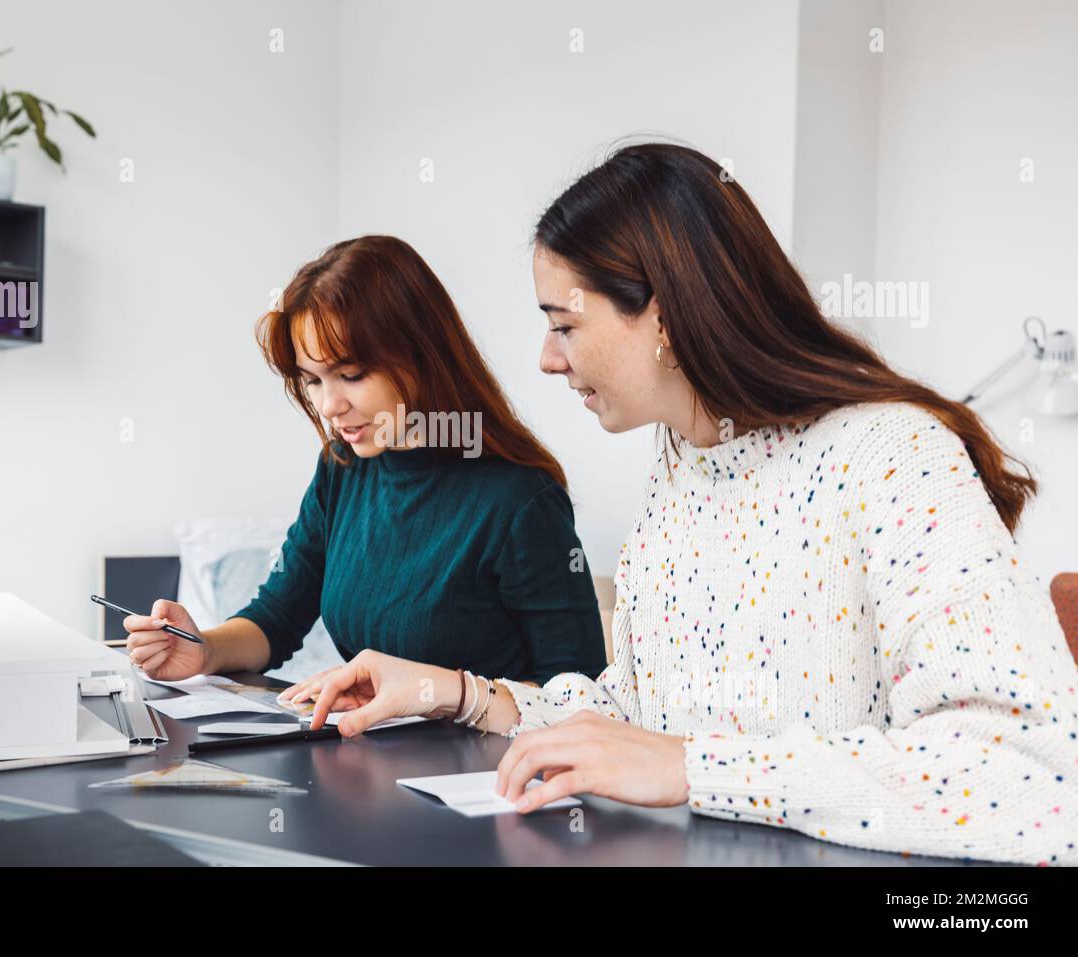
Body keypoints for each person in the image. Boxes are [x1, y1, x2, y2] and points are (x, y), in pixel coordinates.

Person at [279, 144, 1078, 866]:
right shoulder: (681, 469)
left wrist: (691, 765)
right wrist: (451, 690)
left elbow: (1025, 776)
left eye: (564, 324)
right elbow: (633, 711)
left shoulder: (889, 456)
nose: (547, 360)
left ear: (660, 313)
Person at [124, 235, 606, 686]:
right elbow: (277, 617)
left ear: (421, 355)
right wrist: (202, 648)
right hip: (371, 760)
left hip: (480, 774)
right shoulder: (342, 468)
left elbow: (577, 695)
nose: (329, 405)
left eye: (350, 374)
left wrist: (445, 699)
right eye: (312, 380)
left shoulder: (518, 500)